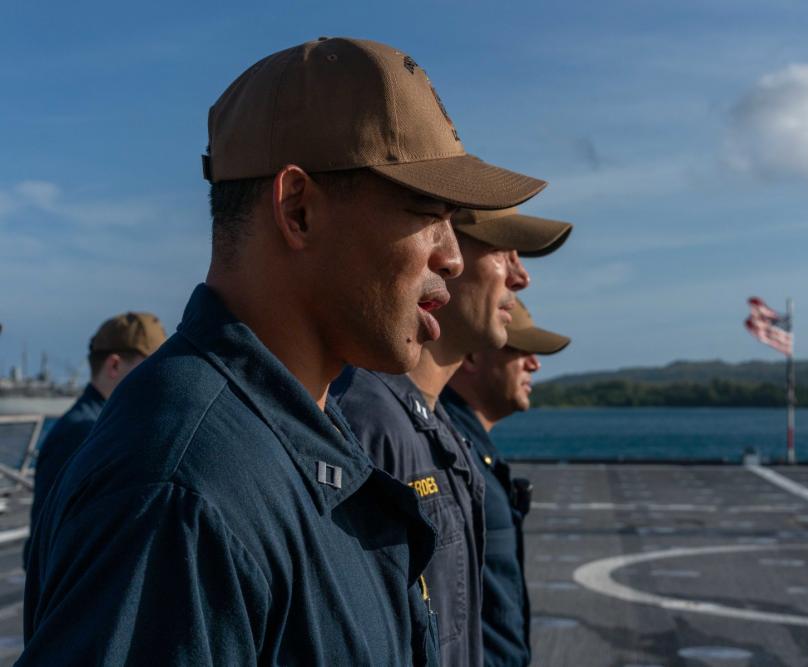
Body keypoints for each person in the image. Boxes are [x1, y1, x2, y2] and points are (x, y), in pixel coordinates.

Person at [20, 37, 546, 666]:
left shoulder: (292, 435)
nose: (452, 256)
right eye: (426, 210)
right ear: (298, 211)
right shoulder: (182, 491)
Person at [331, 207, 571, 667]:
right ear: (443, 256)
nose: (521, 277)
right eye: (502, 251)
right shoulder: (370, 422)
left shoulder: (435, 426)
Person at [442, 297, 570, 667]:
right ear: (470, 356)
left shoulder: (467, 448)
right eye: (519, 350)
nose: (535, 364)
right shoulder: (449, 454)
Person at [28, 312, 166, 533]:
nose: (163, 380)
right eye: (151, 369)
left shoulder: (95, 427)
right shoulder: (85, 434)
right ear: (114, 365)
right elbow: (49, 535)